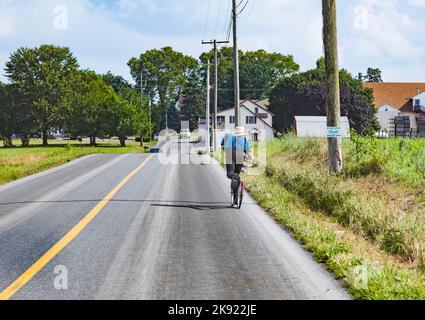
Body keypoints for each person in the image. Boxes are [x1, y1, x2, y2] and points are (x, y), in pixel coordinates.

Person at [221, 126, 253, 202]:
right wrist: (249, 161)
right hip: (240, 155)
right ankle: (237, 178)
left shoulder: (228, 136)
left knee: (230, 174)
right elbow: (248, 151)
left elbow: (222, 146)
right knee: (237, 175)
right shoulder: (244, 138)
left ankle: (234, 176)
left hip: (230, 154)